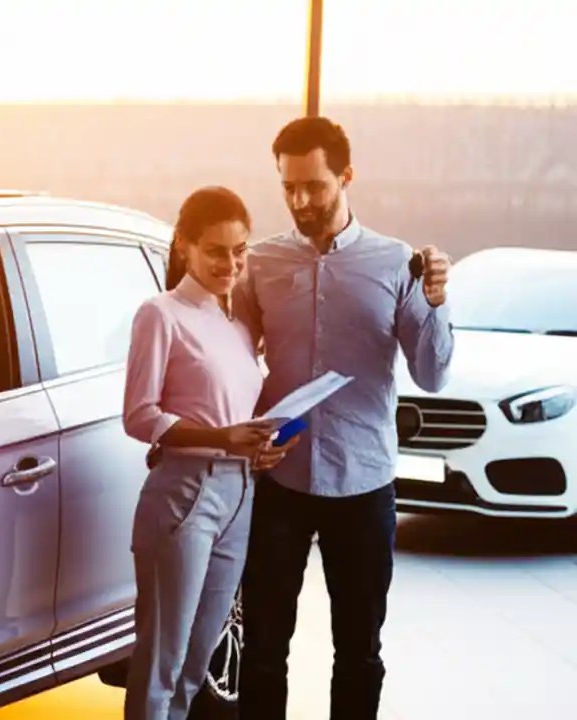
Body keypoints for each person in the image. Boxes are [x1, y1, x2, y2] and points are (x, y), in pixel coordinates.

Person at [235, 117, 453, 720]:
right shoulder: (261, 264)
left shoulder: (398, 264)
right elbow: (228, 362)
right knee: (262, 648)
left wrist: (435, 304)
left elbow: (433, 375)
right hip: (280, 480)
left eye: (315, 186)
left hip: (364, 486)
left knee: (358, 651)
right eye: (289, 188)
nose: (302, 201)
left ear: (346, 177)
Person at [122, 186, 299, 720]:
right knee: (163, 662)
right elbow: (139, 416)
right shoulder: (161, 314)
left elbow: (234, 408)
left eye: (240, 250)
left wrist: (257, 447)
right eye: (216, 250)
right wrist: (220, 438)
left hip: (240, 494)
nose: (230, 263)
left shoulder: (239, 326)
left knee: (199, 663)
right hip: (185, 494)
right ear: (185, 245)